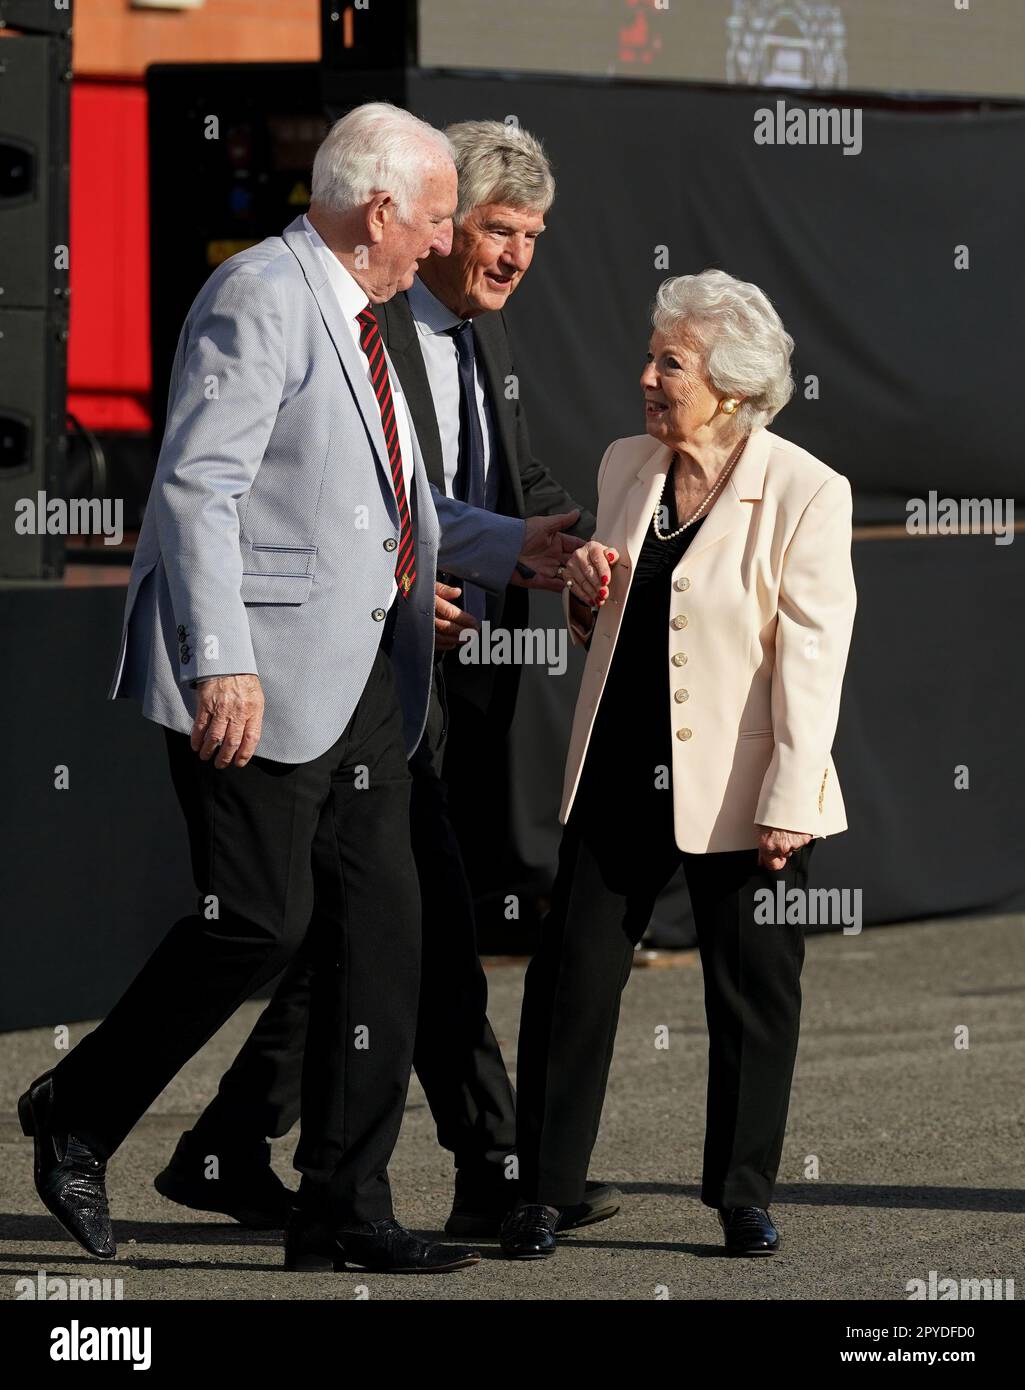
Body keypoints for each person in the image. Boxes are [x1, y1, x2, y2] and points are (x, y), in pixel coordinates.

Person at [19, 102, 579, 1277]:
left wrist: (505, 545)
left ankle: (343, 1207)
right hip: (259, 678)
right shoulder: (261, 296)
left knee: (384, 931)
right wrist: (219, 657)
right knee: (258, 923)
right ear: (380, 210)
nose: (440, 244)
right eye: (434, 220)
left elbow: (393, 504)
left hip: (368, 676)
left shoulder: (363, 310)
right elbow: (194, 492)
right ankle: (77, 1109)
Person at [153, 119, 620, 1241]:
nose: (513, 256)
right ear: (424, 223)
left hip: (419, 692)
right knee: (390, 924)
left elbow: (491, 484)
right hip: (322, 676)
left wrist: (556, 543)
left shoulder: (480, 333)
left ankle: (242, 1146)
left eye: (532, 236)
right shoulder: (336, 313)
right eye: (492, 230)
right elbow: (228, 497)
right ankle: (481, 1161)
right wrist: (405, 586)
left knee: (375, 929)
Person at [501, 270, 857, 1259]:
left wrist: (790, 795)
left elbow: (811, 658)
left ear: (733, 385)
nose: (646, 376)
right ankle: (542, 1190)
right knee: (570, 977)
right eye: (650, 356)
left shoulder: (802, 490)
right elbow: (607, 622)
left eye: (670, 361)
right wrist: (580, 592)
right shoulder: (624, 464)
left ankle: (741, 1194)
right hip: (618, 765)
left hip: (746, 787)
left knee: (750, 994)